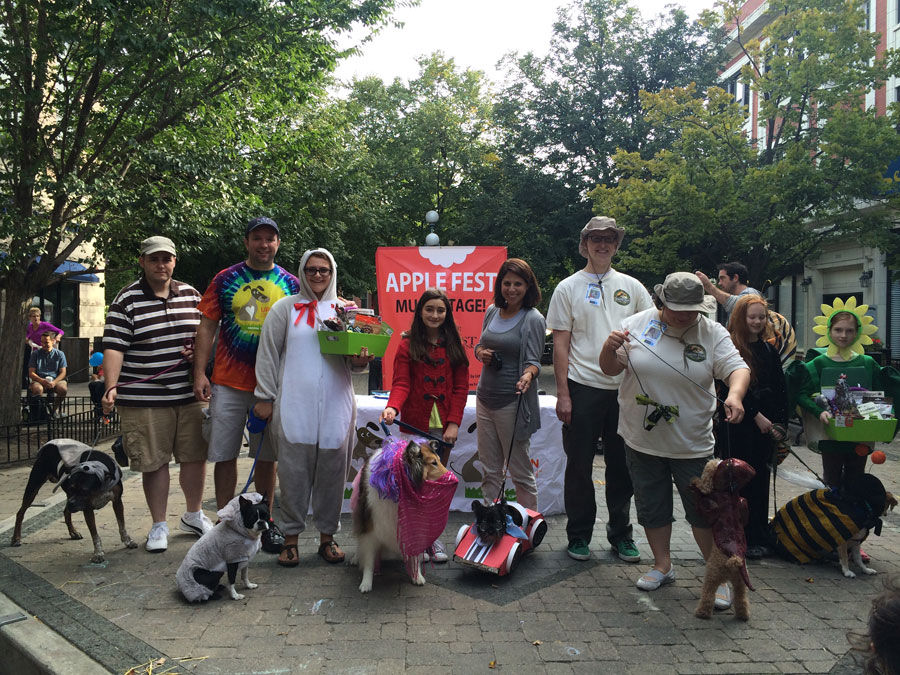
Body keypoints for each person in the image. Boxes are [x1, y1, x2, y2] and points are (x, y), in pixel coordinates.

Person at [599, 272, 749, 610]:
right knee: (651, 505)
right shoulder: (636, 324)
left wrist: (735, 396)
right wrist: (609, 349)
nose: (683, 315)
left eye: (691, 309)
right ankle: (662, 564)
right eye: (676, 308)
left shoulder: (712, 332)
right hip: (641, 438)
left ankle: (722, 573)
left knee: (705, 512)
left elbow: (737, 370)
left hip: (692, 441)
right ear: (661, 301)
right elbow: (609, 369)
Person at [253, 248, 372, 567]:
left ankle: (327, 538)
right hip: (294, 403)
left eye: (324, 270)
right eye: (311, 269)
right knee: (292, 472)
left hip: (336, 402)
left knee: (334, 471)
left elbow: (355, 361)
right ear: (302, 272)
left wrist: (361, 359)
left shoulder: (347, 311)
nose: (318, 275)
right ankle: (290, 539)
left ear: (333, 273)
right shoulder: (285, 309)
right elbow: (268, 353)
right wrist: (264, 396)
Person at [546, 216, 653, 563]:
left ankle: (621, 534)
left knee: (622, 466)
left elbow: (649, 336)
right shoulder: (567, 288)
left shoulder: (633, 287)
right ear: (585, 243)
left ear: (616, 244)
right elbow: (560, 345)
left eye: (609, 238)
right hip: (582, 387)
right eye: (596, 239)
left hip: (625, 389)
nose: (602, 244)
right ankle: (579, 535)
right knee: (578, 466)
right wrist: (563, 393)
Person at [192, 216, 300, 553]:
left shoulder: (292, 283)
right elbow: (207, 327)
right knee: (224, 455)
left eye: (270, 239)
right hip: (227, 382)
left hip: (271, 386)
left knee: (267, 457)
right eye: (257, 238)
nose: (264, 244)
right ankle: (227, 523)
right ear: (247, 242)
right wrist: (200, 373)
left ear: (278, 244)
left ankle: (264, 523)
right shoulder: (225, 279)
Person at [101, 236, 211, 553]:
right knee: (154, 462)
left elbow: (206, 335)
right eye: (154, 259)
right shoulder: (127, 300)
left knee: (195, 457)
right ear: (143, 262)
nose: (161, 265)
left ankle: (193, 515)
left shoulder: (192, 294)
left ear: (174, 261)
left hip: (189, 394)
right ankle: (158, 525)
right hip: (144, 398)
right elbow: (114, 347)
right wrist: (111, 385)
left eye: (167, 259)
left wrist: (199, 355)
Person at [381, 287, 469, 561]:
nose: (434, 314)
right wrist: (393, 406)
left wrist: (453, 423)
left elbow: (460, 389)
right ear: (420, 311)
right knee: (413, 484)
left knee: (436, 486)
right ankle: (411, 536)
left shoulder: (455, 345)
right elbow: (401, 382)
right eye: (429, 309)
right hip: (414, 426)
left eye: (440, 310)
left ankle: (433, 539)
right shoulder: (408, 345)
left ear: (447, 313)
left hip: (442, 430)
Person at [792, 299, 900, 488]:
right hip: (831, 436)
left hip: (861, 435)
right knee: (831, 484)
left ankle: (852, 517)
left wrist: (885, 411)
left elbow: (879, 395)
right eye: (838, 330)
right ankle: (833, 517)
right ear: (829, 331)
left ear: (858, 332)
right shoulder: (817, 363)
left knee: (856, 483)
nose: (844, 335)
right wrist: (819, 412)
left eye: (849, 330)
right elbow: (802, 394)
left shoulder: (867, 362)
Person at [718, 294, 788, 559]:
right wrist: (756, 415)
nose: (757, 322)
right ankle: (737, 534)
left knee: (760, 481)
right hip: (739, 426)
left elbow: (781, 389)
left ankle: (757, 533)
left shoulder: (769, 349)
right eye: (752, 317)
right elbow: (731, 388)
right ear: (740, 318)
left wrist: (780, 422)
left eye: (761, 317)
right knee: (738, 481)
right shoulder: (731, 349)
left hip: (765, 429)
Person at [474, 258, 545, 511]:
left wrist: (528, 375)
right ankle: (490, 522)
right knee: (490, 469)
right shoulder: (492, 310)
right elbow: (480, 345)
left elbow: (535, 362)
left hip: (511, 403)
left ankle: (530, 526)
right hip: (484, 400)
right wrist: (480, 353)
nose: (511, 289)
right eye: (507, 283)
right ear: (499, 285)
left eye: (518, 284)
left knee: (519, 471)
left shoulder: (533, 318)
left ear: (528, 287)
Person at [695, 262, 760, 324]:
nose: (719, 283)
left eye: (722, 278)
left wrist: (708, 286)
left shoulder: (751, 293)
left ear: (735, 278)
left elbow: (738, 305)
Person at [27, 331, 68, 417]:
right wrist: (42, 381)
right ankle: (41, 412)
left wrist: (54, 382)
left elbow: (63, 372)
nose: (43, 344)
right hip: (39, 379)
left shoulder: (60, 354)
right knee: (37, 389)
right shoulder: (35, 354)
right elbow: (31, 373)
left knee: (63, 389)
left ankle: (53, 410)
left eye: (46, 342)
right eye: (42, 342)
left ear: (53, 341)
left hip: (55, 379)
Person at [24, 307, 63, 389]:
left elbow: (60, 331)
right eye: (34, 316)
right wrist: (27, 339)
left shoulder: (44, 325)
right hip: (36, 352)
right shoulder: (30, 327)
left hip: (47, 350)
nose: (36, 318)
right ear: (30, 317)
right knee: (34, 370)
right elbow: (27, 335)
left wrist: (58, 337)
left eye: (38, 316)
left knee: (49, 368)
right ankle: (36, 387)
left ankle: (51, 385)